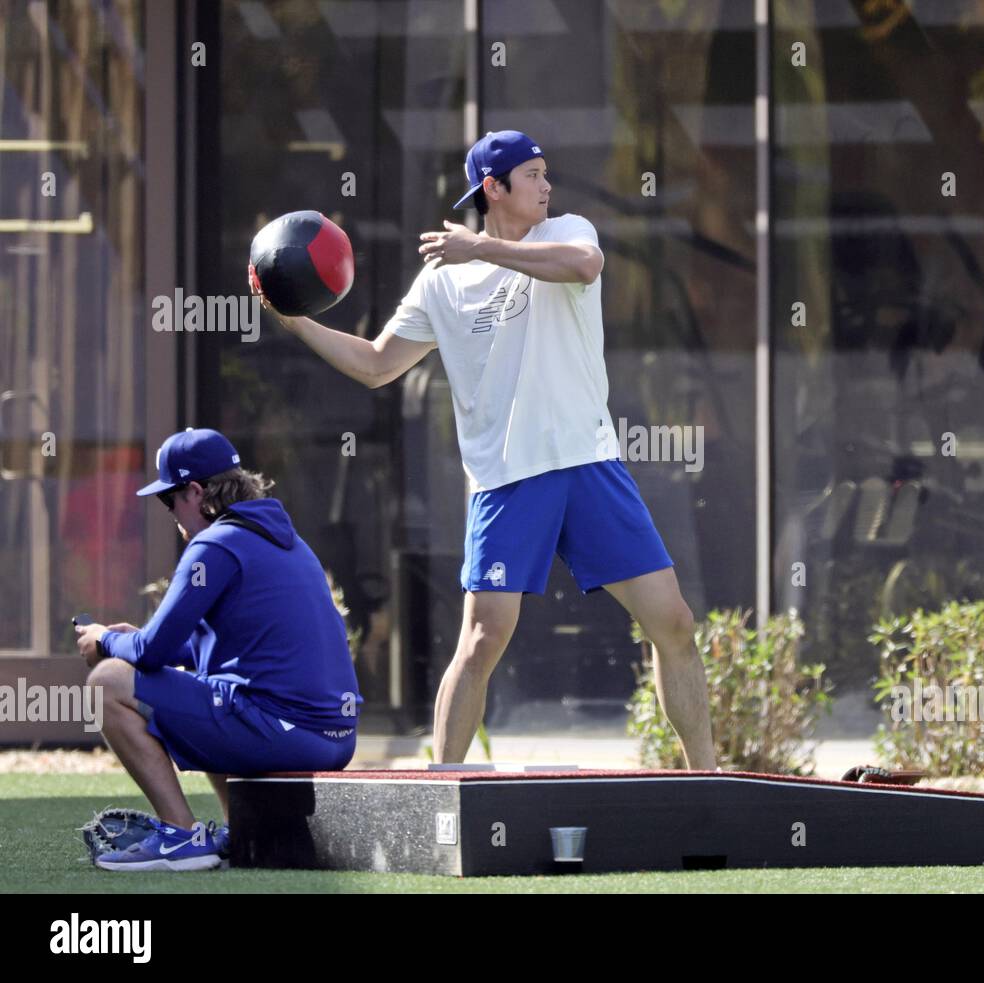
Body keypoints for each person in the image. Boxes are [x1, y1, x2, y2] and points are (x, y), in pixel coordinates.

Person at [252, 130, 716, 769]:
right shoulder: (441, 282)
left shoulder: (567, 232)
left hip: (589, 465)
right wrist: (293, 317)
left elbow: (585, 268)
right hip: (506, 482)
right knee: (480, 641)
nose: (548, 186)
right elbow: (377, 365)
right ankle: (442, 791)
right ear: (493, 188)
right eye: (533, 175)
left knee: (675, 624)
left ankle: (706, 777)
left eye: (547, 173)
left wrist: (483, 247)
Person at [75, 428, 361, 870]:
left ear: (195, 491)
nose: (171, 514)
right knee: (212, 686)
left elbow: (151, 652)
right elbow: (208, 647)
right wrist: (140, 641)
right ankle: (240, 832)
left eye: (169, 500)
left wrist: (106, 640)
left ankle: (181, 836)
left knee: (105, 683)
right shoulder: (286, 539)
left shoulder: (214, 543)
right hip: (333, 739)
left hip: (285, 734)